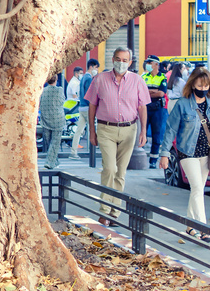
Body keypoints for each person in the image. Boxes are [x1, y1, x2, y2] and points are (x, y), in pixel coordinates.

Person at [85, 47, 150, 225]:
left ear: (130, 62)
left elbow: (142, 107)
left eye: (125, 60)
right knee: (110, 169)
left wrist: (143, 131)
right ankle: (104, 210)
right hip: (106, 129)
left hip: (129, 130)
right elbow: (92, 106)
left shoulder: (137, 81)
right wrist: (92, 130)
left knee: (120, 172)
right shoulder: (99, 80)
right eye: (118, 59)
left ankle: (116, 211)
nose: (121, 63)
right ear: (112, 59)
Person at [159, 67, 210, 242]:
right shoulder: (182, 104)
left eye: (206, 86)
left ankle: (190, 226)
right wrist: (164, 154)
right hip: (188, 152)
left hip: (208, 152)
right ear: (192, 84)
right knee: (197, 188)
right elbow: (170, 129)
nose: (203, 89)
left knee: (198, 190)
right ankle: (204, 229)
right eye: (199, 85)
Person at [141, 55, 168, 168]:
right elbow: (141, 91)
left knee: (156, 135)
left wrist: (148, 91)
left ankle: (153, 160)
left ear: (156, 64)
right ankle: (141, 157)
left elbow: (161, 93)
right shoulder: (144, 77)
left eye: (150, 62)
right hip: (145, 107)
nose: (148, 64)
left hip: (157, 109)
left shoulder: (162, 77)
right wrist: (153, 91)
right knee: (142, 132)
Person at [69, 59, 100, 159]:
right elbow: (89, 94)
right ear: (91, 67)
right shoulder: (89, 78)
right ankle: (97, 149)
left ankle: (73, 152)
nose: (97, 70)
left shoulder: (82, 78)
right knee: (95, 128)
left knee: (79, 131)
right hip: (88, 108)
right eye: (96, 67)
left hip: (81, 107)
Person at [39, 73, 66, 169]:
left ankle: (54, 161)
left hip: (45, 119)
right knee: (55, 141)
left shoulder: (42, 91)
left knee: (49, 141)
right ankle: (49, 162)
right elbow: (63, 101)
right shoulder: (60, 90)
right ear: (56, 79)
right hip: (58, 119)